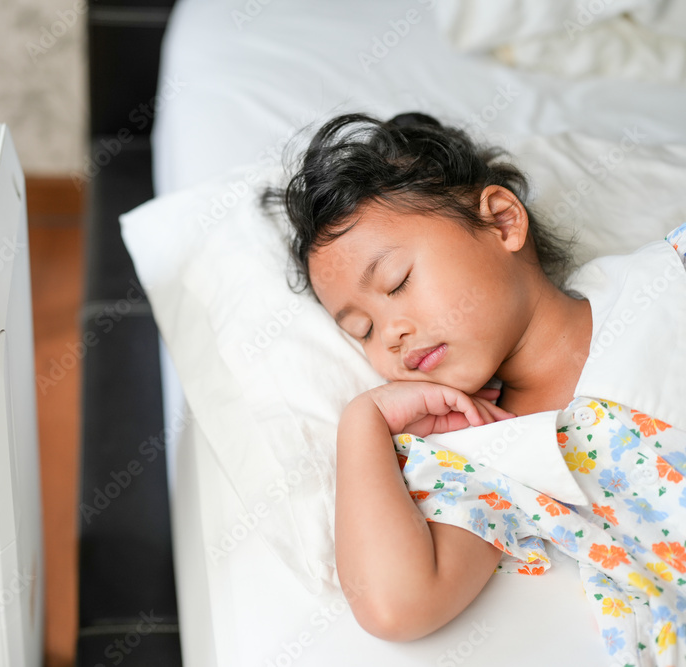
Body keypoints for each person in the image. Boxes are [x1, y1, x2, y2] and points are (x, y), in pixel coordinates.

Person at [262, 112, 686, 666]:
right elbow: (394, 605)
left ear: (503, 223)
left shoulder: (663, 278)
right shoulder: (484, 454)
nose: (390, 334)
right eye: (360, 330)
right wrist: (361, 424)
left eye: (397, 282)